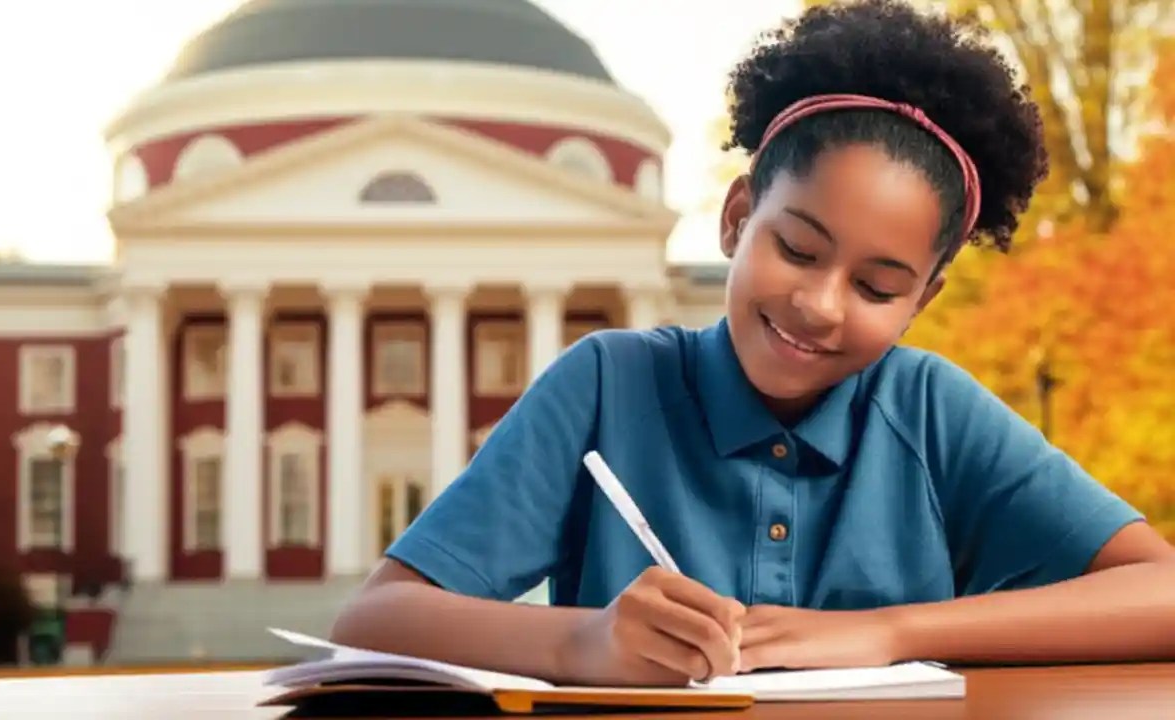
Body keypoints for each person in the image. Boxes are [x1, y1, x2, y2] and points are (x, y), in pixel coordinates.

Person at [331, 0, 1175, 686]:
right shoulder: (607, 384)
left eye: (877, 288)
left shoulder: (928, 409)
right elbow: (373, 620)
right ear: (738, 218)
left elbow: (1163, 590)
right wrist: (584, 643)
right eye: (797, 250)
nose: (819, 305)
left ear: (923, 300)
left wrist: (889, 632)